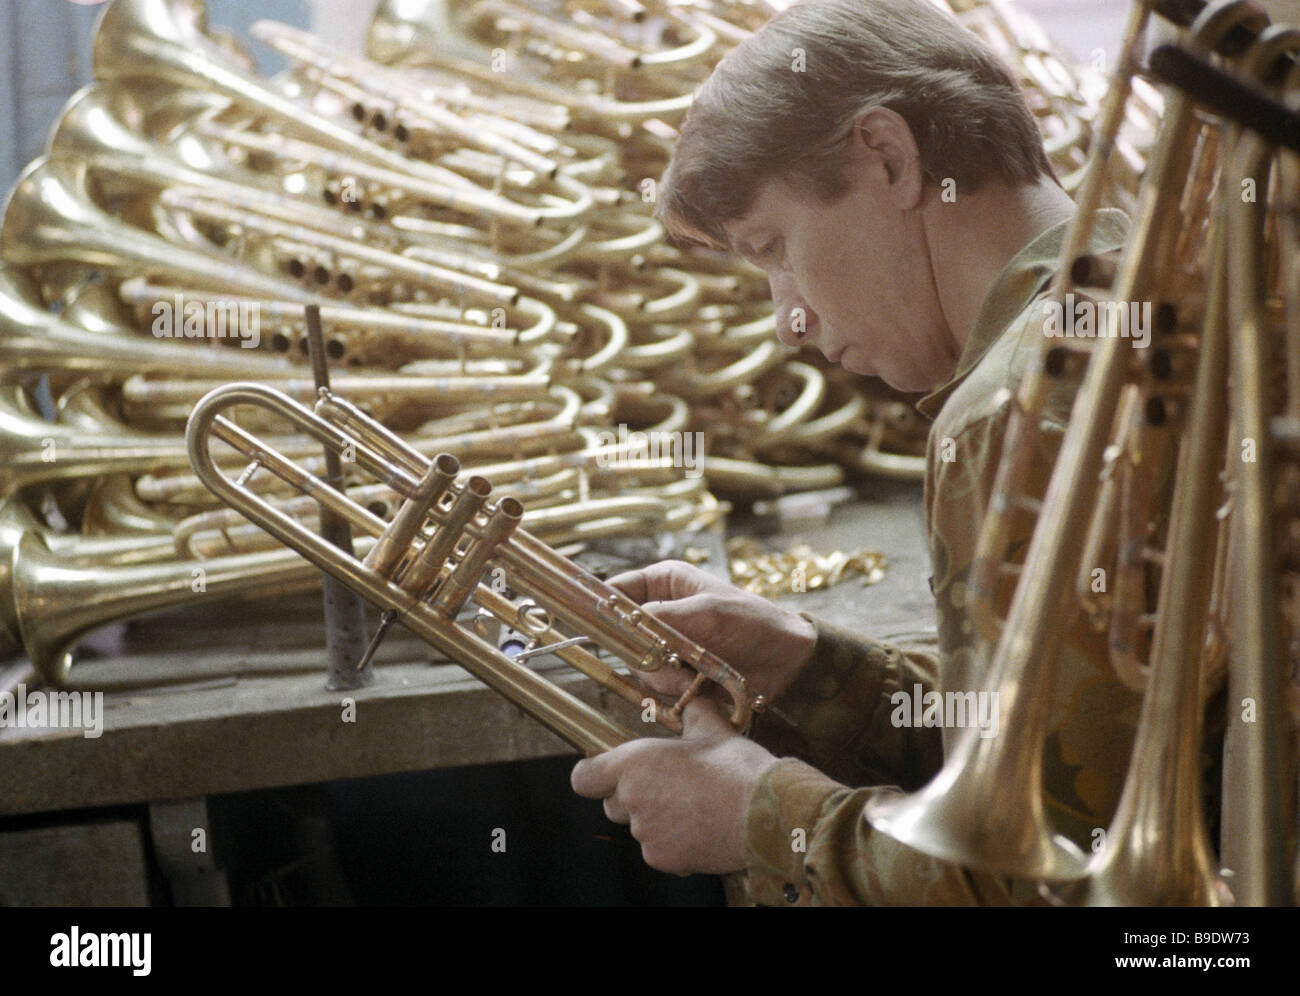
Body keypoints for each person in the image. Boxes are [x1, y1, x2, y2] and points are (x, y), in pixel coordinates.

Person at [569, 0, 1144, 905]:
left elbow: (1052, 888)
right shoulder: (1142, 300)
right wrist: (813, 664)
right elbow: (1081, 746)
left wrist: (760, 814)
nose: (787, 321)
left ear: (888, 156)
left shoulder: (1014, 411)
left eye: (775, 248)